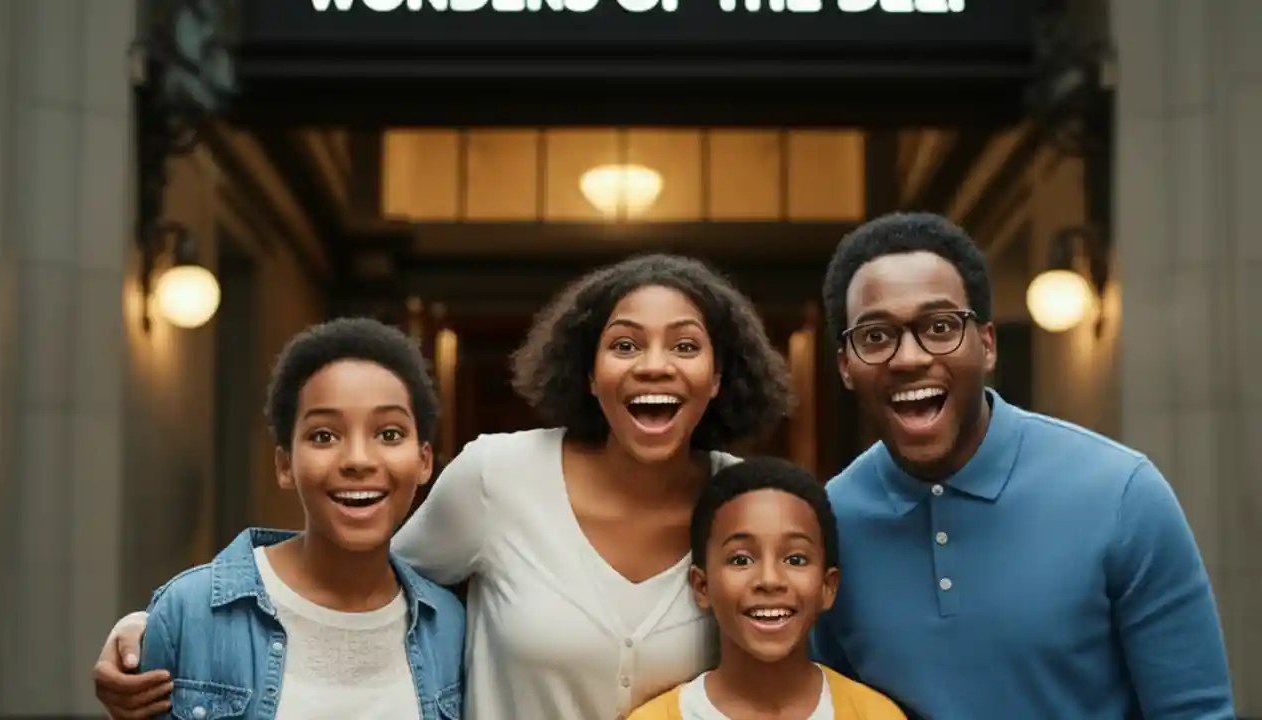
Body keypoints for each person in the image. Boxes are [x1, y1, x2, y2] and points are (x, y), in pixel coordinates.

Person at [92, 254, 793, 720]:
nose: (654, 366)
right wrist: (169, 628)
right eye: (625, 344)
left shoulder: (749, 507)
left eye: (685, 346)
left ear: (720, 376)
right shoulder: (499, 477)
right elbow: (365, 581)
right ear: (588, 371)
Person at [809, 211, 1236, 719]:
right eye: (876, 335)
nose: (908, 358)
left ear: (986, 344)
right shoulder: (826, 523)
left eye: (940, 326)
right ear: (845, 367)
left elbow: (1195, 712)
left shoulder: (1122, 495)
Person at [113, 318, 466, 719]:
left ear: (423, 462)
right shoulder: (189, 613)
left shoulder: (450, 628)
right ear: (285, 465)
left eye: (388, 434)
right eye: (323, 436)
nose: (357, 460)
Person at [628, 457, 905, 720]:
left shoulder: (874, 714)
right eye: (741, 559)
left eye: (795, 559)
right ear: (702, 586)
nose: (770, 580)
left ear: (827, 587)